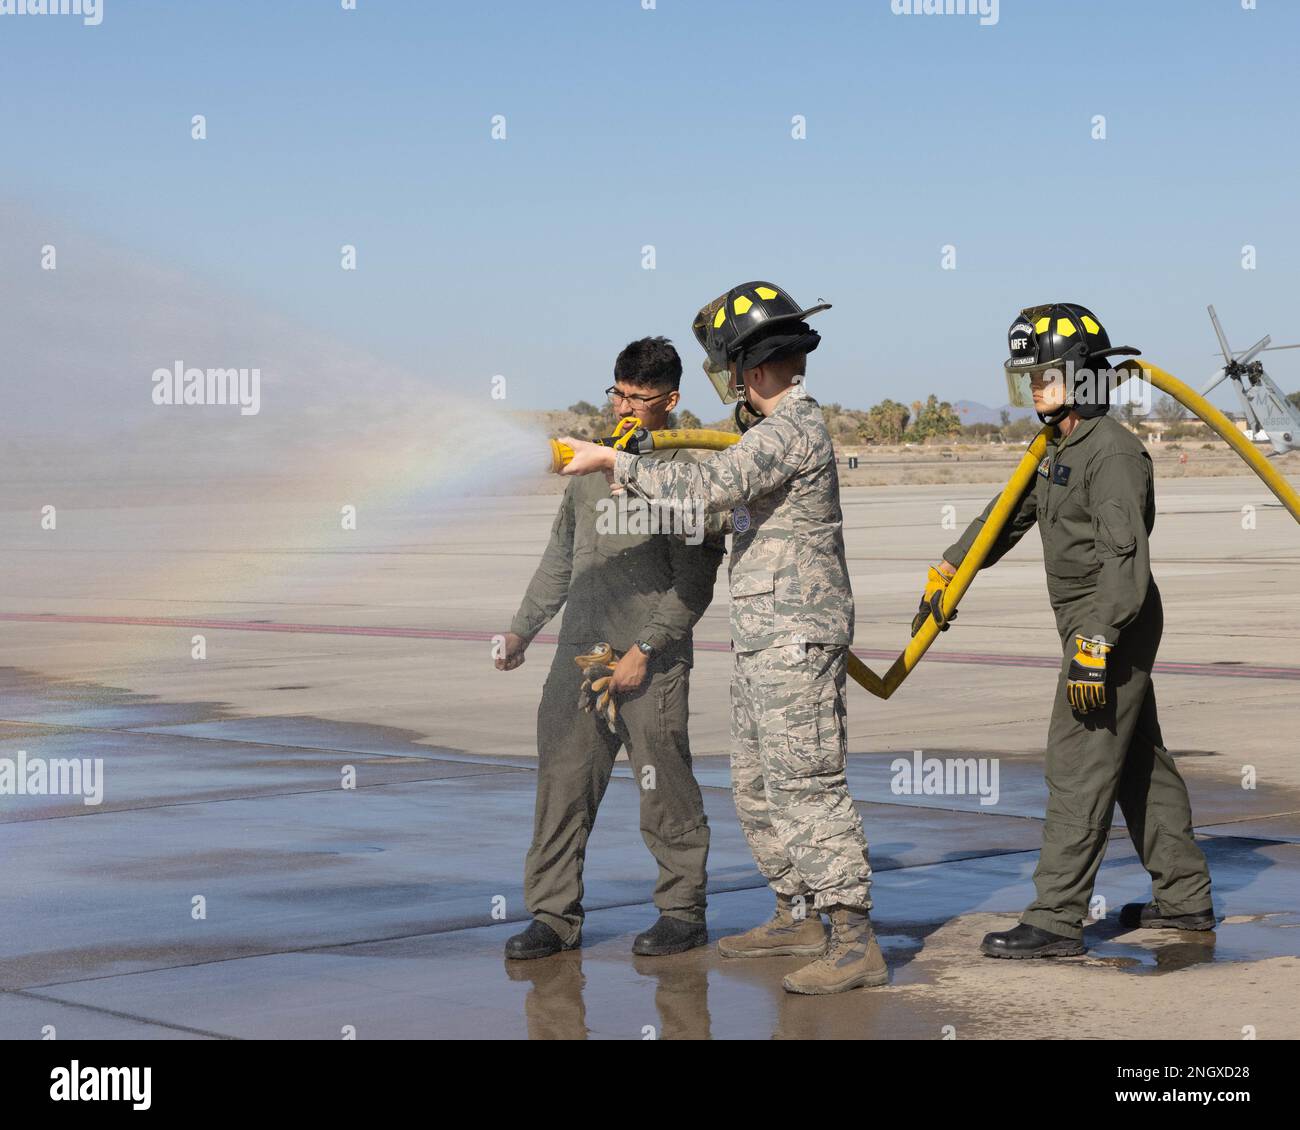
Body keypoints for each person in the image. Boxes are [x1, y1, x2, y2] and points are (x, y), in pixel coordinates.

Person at [559, 282, 884, 994]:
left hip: (796, 637)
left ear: (753, 367)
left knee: (805, 782)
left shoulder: (791, 430)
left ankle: (853, 935)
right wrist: (642, 479)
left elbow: (712, 488)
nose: (728, 382)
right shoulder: (767, 435)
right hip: (767, 636)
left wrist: (617, 462)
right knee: (757, 781)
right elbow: (712, 510)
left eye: (729, 369)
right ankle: (796, 912)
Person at [912, 303, 1214, 958]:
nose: (1032, 392)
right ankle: (1186, 898)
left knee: (1077, 763)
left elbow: (1124, 564)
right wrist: (949, 570)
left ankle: (1055, 919)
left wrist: (1094, 644)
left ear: (1080, 375)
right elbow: (1006, 515)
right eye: (1026, 379)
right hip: (1092, 620)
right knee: (1139, 763)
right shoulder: (1056, 447)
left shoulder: (1112, 454)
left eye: (1043, 376)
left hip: (1111, 619)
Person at [497, 336, 723, 960]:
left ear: (671, 401)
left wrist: (645, 650)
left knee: (664, 787)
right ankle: (552, 916)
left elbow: (695, 581)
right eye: (617, 394)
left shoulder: (686, 476)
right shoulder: (588, 471)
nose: (624, 408)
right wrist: (521, 629)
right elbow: (561, 559)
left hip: (651, 659)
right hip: (582, 652)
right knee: (563, 785)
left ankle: (682, 912)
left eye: (639, 399)